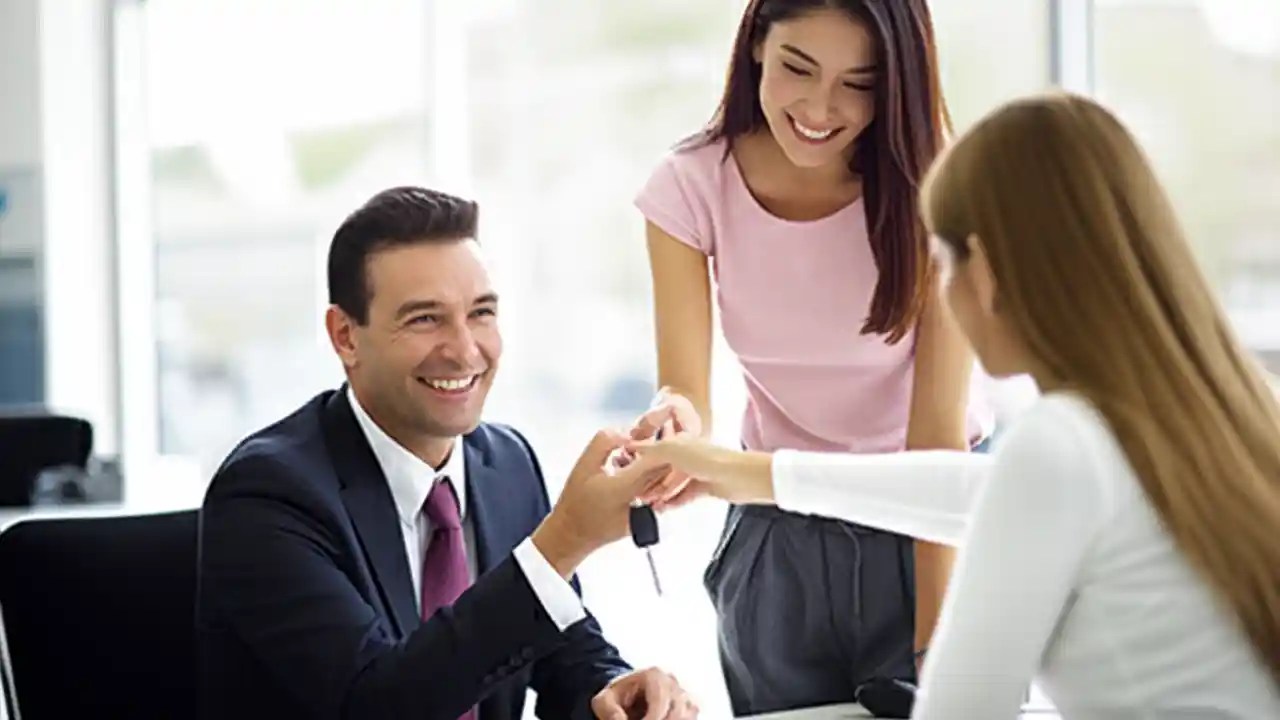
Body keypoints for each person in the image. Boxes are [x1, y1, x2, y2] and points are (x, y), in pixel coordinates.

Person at [629, 93, 1280, 718]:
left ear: (987, 273)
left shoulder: (1058, 444)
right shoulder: (1215, 420)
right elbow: (978, 491)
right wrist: (741, 473)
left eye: (940, 257)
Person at [197, 187, 698, 720]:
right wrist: (566, 538)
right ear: (345, 336)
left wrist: (615, 689)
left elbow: (563, 651)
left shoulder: (505, 463)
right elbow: (374, 703)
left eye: (481, 313)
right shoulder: (267, 494)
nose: (464, 349)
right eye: (424, 319)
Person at [628, 0, 990, 714]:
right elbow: (687, 393)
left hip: (921, 521)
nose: (822, 107)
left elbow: (937, 440)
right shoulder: (691, 183)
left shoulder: (939, 189)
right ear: (758, 44)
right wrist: (673, 425)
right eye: (799, 67)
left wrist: (933, 649)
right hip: (776, 530)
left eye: (859, 82)